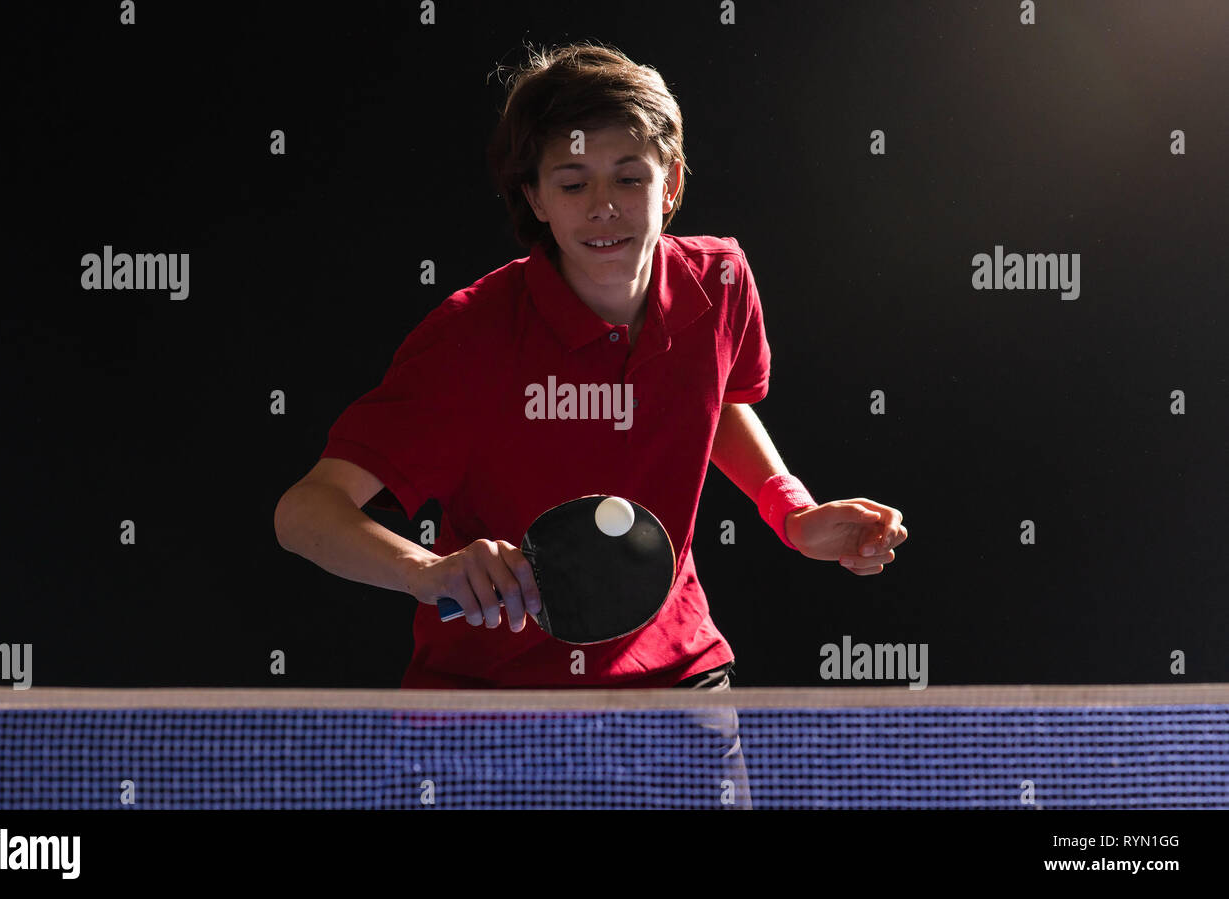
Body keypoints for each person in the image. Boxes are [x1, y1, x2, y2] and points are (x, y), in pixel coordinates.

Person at [275, 42, 907, 807]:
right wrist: (428, 572)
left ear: (670, 184)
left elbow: (719, 398)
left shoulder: (722, 284)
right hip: (491, 714)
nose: (602, 206)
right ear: (536, 197)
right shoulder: (473, 338)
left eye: (629, 177)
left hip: (676, 687)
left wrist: (791, 510)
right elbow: (305, 512)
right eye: (572, 183)